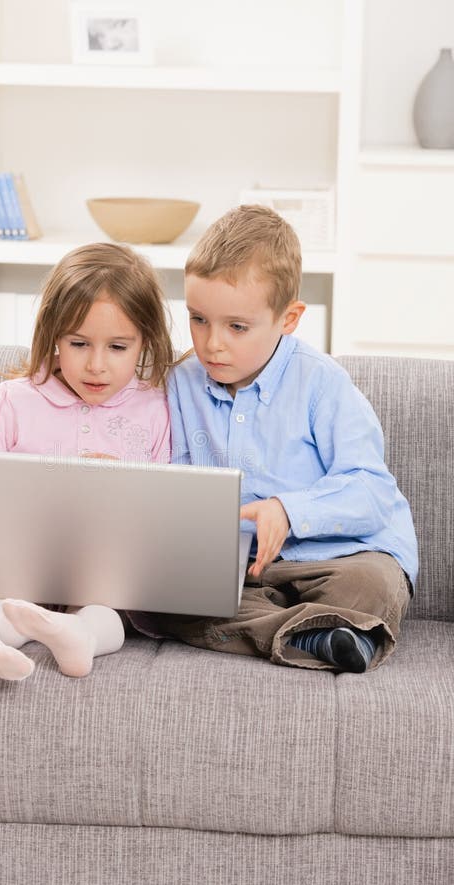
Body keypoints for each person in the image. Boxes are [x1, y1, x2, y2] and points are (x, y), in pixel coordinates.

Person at [154, 205, 418, 673]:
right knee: (162, 598)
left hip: (337, 556)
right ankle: (317, 636)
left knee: (372, 585)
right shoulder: (181, 382)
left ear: (289, 318)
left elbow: (371, 491)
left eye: (237, 326)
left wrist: (288, 509)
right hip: (240, 567)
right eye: (198, 319)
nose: (212, 343)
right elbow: (173, 480)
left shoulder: (322, 384)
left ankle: (311, 627)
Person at [0, 243, 173, 682]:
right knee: (4, 605)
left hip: (106, 583)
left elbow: (166, 516)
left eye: (118, 347)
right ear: (54, 337)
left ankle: (76, 635)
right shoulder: (12, 402)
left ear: (145, 341)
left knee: (107, 616)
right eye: (79, 343)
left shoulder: (156, 410)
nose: (96, 365)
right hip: (21, 573)